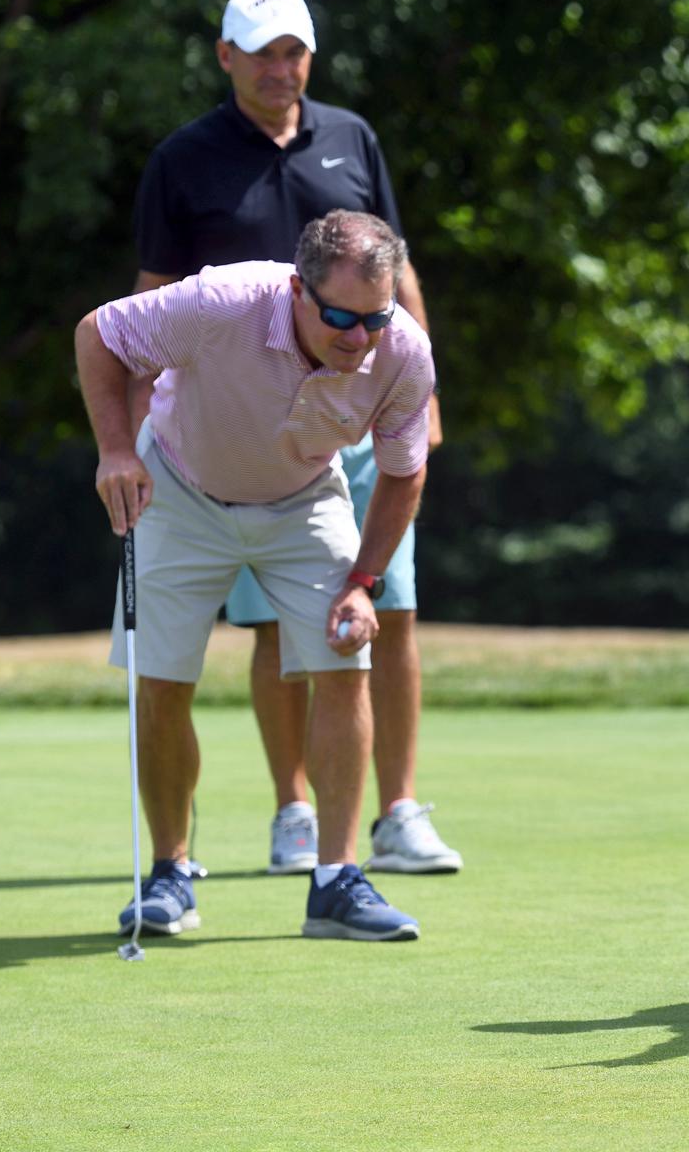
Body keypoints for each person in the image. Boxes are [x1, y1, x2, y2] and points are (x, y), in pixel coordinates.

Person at [130, 0, 460, 876]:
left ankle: (397, 811)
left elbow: (394, 263)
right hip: (242, 432)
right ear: (226, 57)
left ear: (310, 58)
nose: (282, 70)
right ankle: (295, 813)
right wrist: (150, 433)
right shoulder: (185, 157)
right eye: (263, 53)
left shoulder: (351, 137)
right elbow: (152, 302)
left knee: (386, 606)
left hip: (361, 418)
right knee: (281, 629)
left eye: (295, 53)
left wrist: (421, 396)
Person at [78, 210, 433, 941]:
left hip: (304, 498)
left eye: (373, 317)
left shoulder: (402, 351)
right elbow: (99, 336)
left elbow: (403, 476)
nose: (357, 337)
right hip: (177, 487)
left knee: (345, 659)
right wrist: (116, 450)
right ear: (298, 289)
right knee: (164, 678)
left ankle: (335, 881)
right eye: (338, 316)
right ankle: (171, 873)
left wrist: (363, 584)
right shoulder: (222, 301)